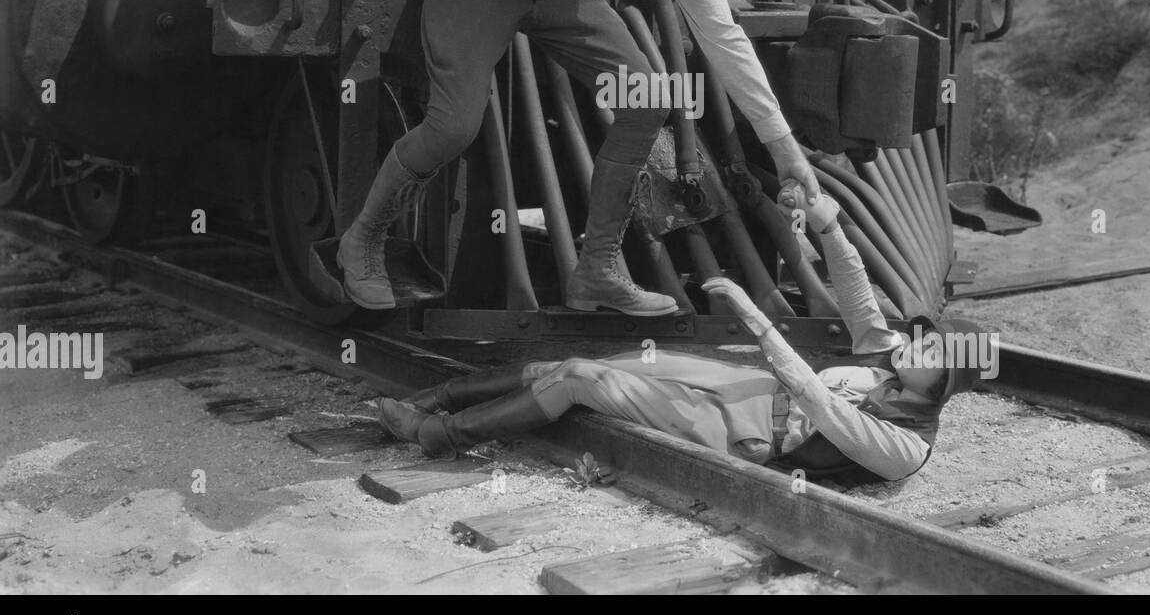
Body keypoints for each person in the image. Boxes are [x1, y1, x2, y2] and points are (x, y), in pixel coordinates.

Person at [280, 0, 819, 314]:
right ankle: (361, 241)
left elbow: (721, 33)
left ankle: (596, 272)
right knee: (453, 126)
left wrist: (784, 147)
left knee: (647, 98)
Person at [374, 184, 984, 484]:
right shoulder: (883, 360)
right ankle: (442, 397)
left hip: (747, 433)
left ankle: (443, 436)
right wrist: (829, 226)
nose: (911, 343)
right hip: (749, 385)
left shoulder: (906, 450)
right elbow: (853, 288)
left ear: (942, 389)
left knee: (585, 379)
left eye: (928, 351)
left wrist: (758, 320)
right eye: (921, 335)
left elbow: (820, 404)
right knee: (590, 360)